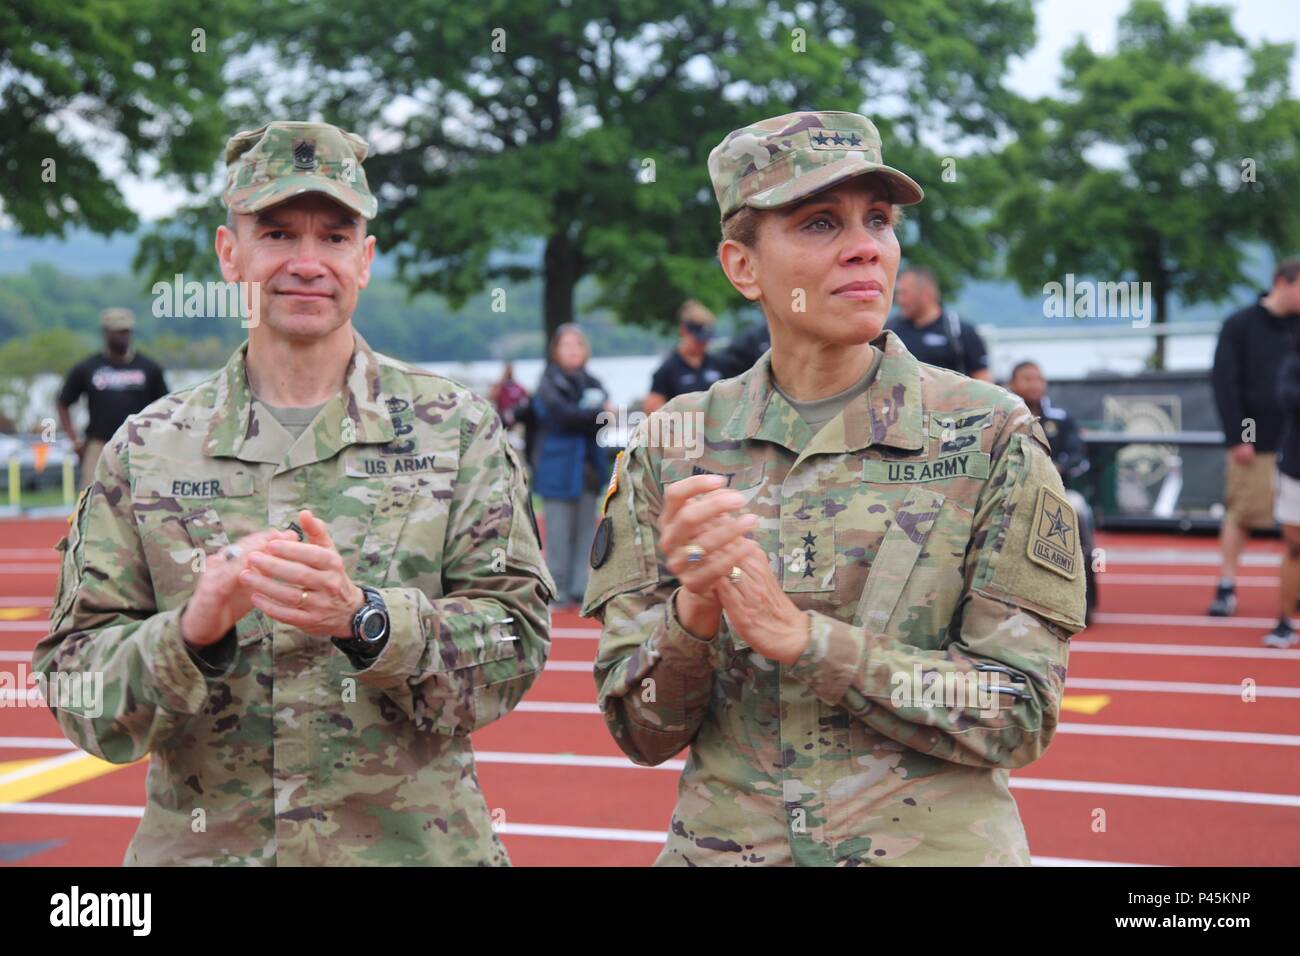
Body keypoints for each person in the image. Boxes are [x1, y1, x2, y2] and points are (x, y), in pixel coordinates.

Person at [33, 120, 555, 866]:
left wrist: (368, 621)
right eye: (277, 234)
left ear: (364, 260)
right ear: (229, 253)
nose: (307, 263)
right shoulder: (145, 449)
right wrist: (190, 635)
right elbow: (76, 689)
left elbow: (515, 641)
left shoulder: (457, 429)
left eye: (334, 238)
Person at [582, 110, 1085, 866]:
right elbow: (640, 732)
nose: (866, 247)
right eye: (820, 223)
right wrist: (696, 611)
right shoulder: (673, 443)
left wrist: (809, 643)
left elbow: (1019, 711)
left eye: (878, 220)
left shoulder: (988, 434)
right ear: (743, 267)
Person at [1207, 260, 1300, 616]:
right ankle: (1226, 585)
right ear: (1282, 284)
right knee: (1242, 513)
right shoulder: (1240, 325)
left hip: (1295, 445)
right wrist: (1242, 436)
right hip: (1257, 440)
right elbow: (1227, 385)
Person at [1007, 360, 1097, 625]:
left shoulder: (1061, 418)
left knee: (1079, 512)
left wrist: (1057, 468)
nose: (1034, 384)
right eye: (1027, 378)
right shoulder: (1003, 414)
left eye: (1038, 379)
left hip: (1058, 492)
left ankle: (1085, 603)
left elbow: (1079, 456)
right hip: (1010, 489)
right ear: (1012, 383)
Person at [532, 324, 611, 612]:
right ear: (556, 350)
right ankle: (557, 589)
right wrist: (594, 413)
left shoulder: (593, 381)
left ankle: (580, 589)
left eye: (578, 344)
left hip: (588, 469)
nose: (573, 350)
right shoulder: (548, 383)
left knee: (585, 532)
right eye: (566, 345)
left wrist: (592, 415)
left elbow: (603, 419)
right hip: (557, 469)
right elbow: (562, 416)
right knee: (558, 533)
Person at [57, 308, 169, 489]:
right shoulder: (88, 368)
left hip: (140, 445)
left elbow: (166, 407)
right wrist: (75, 440)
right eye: (118, 332)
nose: (123, 337)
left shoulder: (149, 368)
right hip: (100, 444)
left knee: (145, 495)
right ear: (105, 333)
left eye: (126, 332)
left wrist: (160, 438)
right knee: (94, 496)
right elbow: (63, 403)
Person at [886, 266, 992, 380]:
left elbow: (983, 378)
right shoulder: (891, 329)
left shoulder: (958, 331)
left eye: (905, 293)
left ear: (925, 294)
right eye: (898, 294)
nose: (900, 300)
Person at [1265, 319, 1300, 648]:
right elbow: (1288, 399)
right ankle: (1286, 620)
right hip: (1295, 468)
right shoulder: (1292, 364)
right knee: (1294, 546)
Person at [643, 300, 727, 413]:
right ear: (683, 331)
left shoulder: (718, 364)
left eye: (706, 339)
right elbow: (652, 409)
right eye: (699, 339)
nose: (703, 344)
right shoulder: (667, 370)